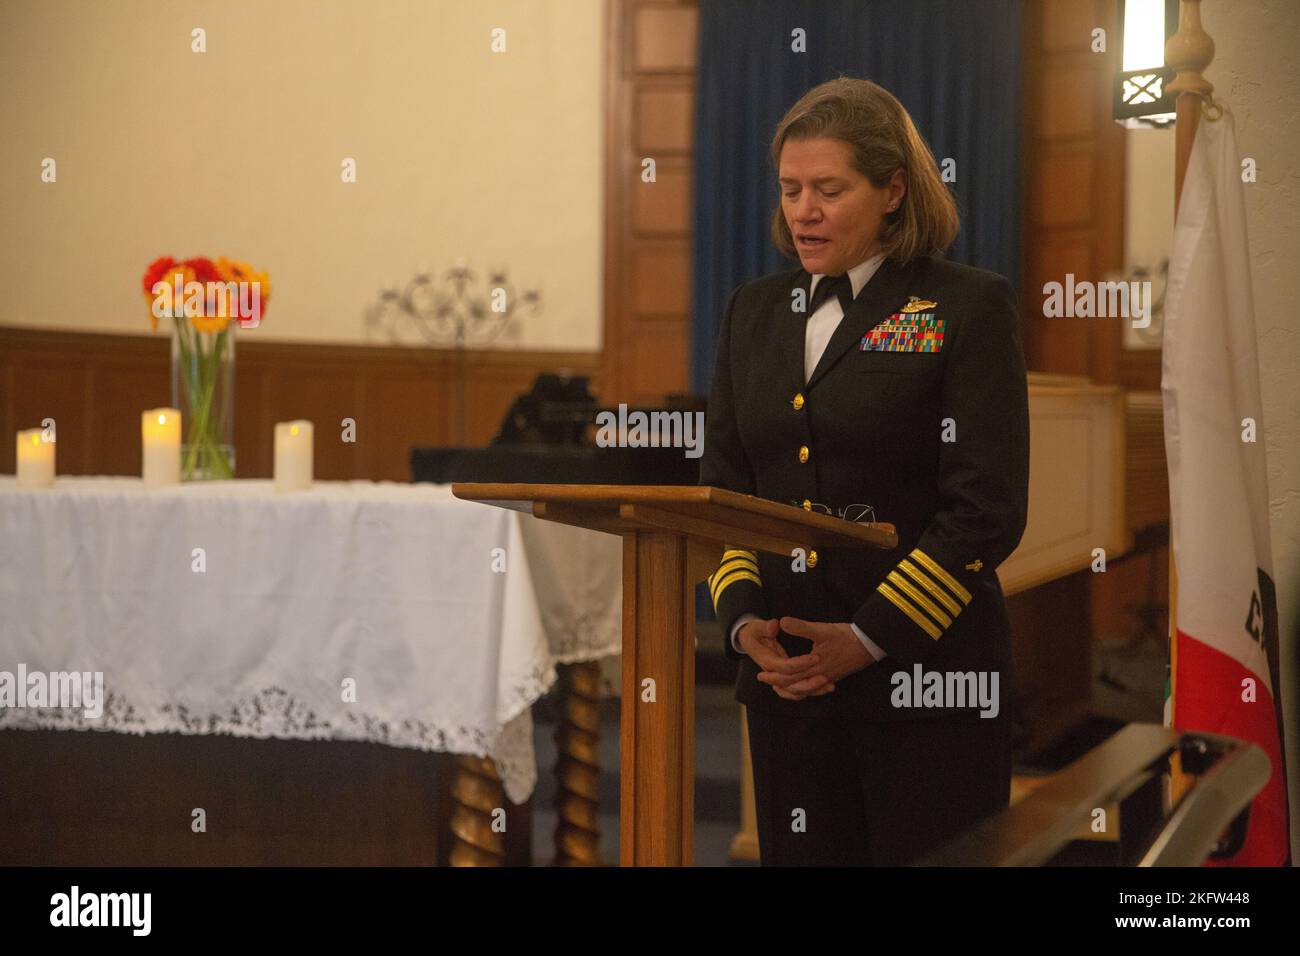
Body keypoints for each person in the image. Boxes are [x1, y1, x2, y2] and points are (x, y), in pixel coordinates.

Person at [700, 77, 1030, 866]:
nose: (802, 211)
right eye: (789, 190)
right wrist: (747, 627)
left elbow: (985, 510)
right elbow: (726, 492)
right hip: (789, 692)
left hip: (927, 688)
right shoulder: (753, 310)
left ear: (892, 190)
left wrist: (869, 638)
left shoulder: (963, 307)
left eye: (827, 189)